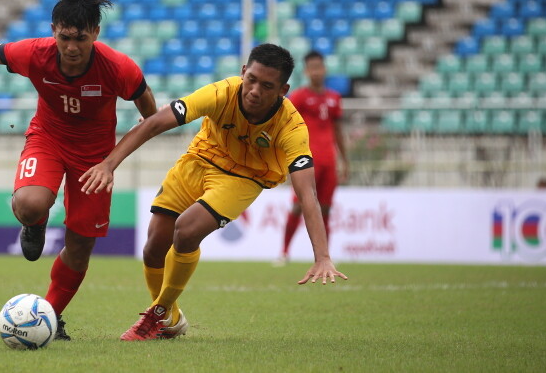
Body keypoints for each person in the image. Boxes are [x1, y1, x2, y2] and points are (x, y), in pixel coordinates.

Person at [0, 0, 158, 340]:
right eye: (65, 37)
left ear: (96, 34)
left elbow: (152, 118)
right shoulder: (35, 53)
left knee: (81, 244)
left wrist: (111, 162)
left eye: (81, 39)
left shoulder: (119, 68)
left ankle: (50, 317)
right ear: (53, 29)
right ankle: (35, 223)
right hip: (49, 139)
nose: (71, 47)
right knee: (29, 205)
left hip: (96, 159)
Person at [80, 43, 347, 341]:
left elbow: (308, 194)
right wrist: (109, 164)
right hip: (200, 159)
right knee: (154, 246)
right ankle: (171, 317)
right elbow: (156, 122)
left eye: (267, 85)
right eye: (252, 80)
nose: (255, 90)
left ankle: (157, 314)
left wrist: (322, 256)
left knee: (186, 230)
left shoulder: (292, 127)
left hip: (244, 178)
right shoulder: (221, 93)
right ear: (244, 72)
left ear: (283, 89)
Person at [275, 50, 349, 267]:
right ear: (307, 71)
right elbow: (285, 126)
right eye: (312, 68)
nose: (316, 72)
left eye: (319, 67)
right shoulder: (298, 97)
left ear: (324, 69)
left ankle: (324, 255)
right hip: (306, 162)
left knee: (325, 208)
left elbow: (337, 131)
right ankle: (284, 251)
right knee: (299, 206)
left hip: (329, 161)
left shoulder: (334, 98)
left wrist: (345, 160)